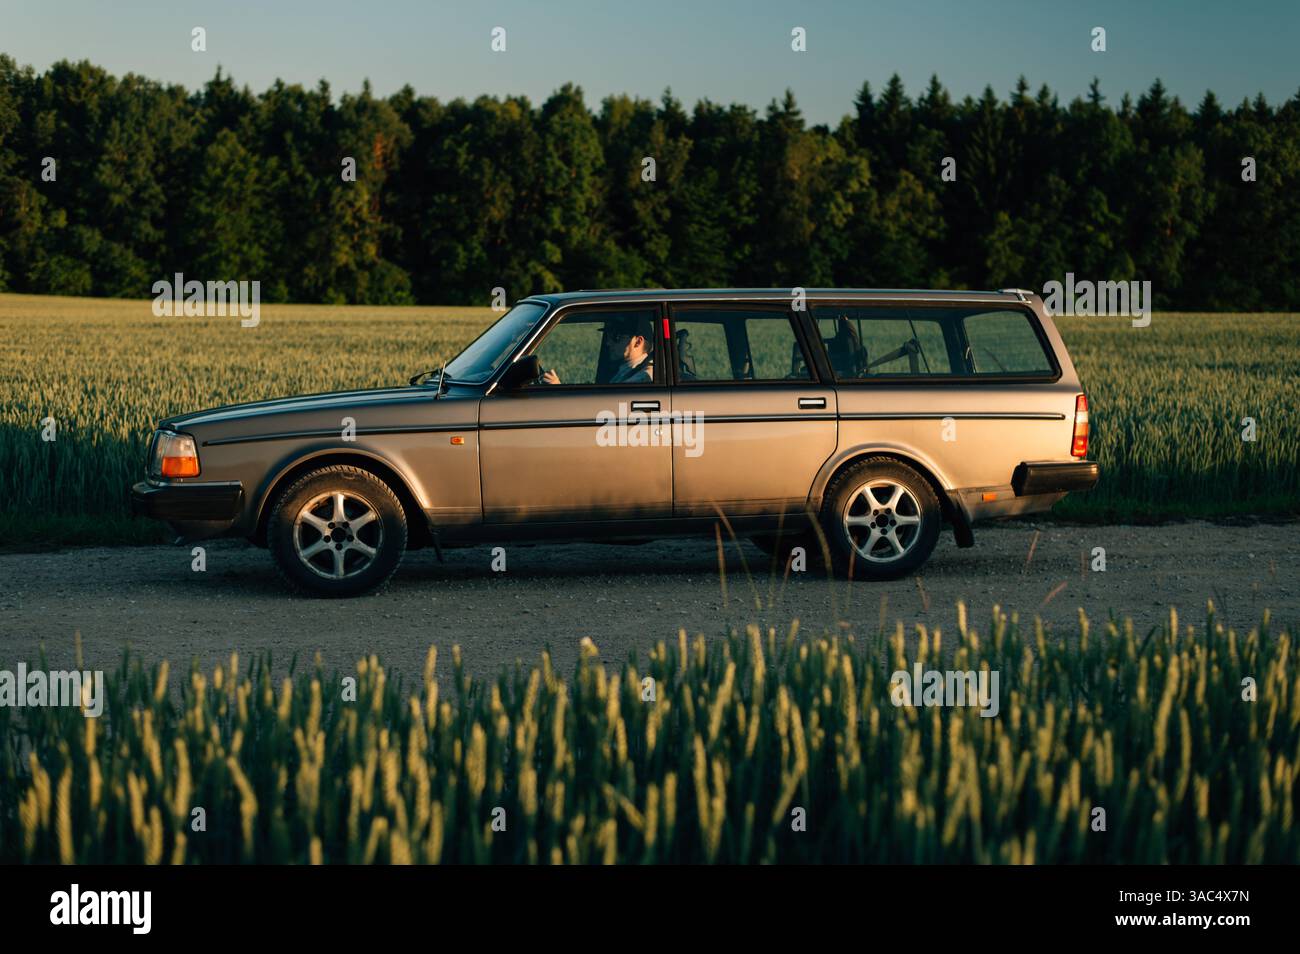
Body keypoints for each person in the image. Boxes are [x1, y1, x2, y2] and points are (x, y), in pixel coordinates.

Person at [541, 315, 655, 385]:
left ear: (638, 342)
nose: (608, 342)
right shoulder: (626, 370)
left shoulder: (645, 376)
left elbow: (608, 407)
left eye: (616, 337)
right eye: (608, 336)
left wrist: (559, 391)